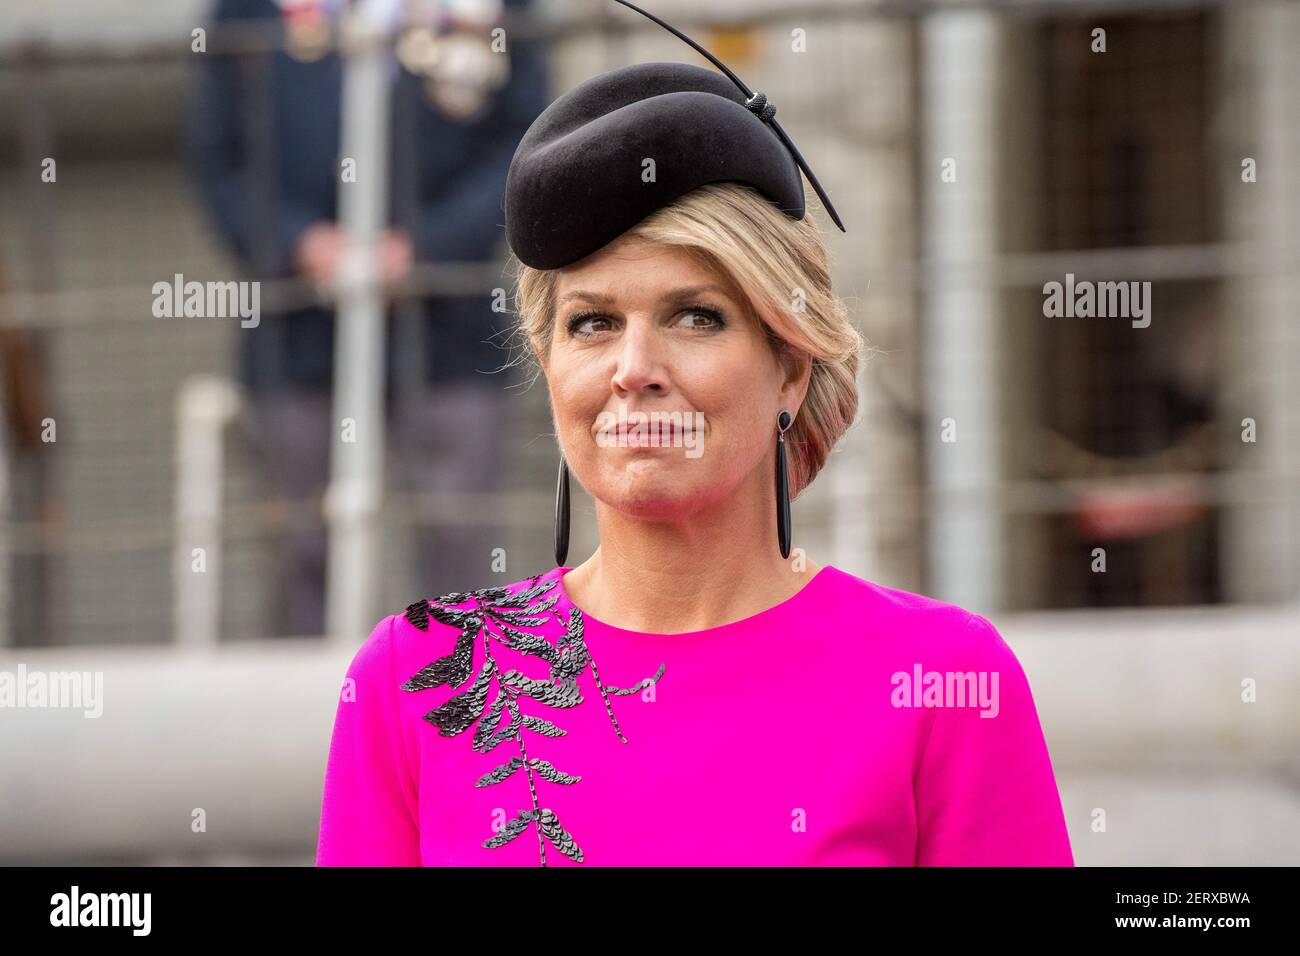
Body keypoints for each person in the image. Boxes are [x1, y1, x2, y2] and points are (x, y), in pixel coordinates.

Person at [316, 1, 1074, 866]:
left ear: (790, 364)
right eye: (593, 324)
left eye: (696, 317)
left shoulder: (944, 679)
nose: (634, 367)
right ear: (551, 366)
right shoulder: (416, 678)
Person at [186, 0, 549, 635]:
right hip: (296, 332)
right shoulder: (244, 10)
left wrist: (427, 246)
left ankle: (457, 722)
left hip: (452, 324)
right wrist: (301, 244)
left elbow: (525, 143)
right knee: (303, 548)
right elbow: (218, 159)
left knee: (460, 547)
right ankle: (308, 725)